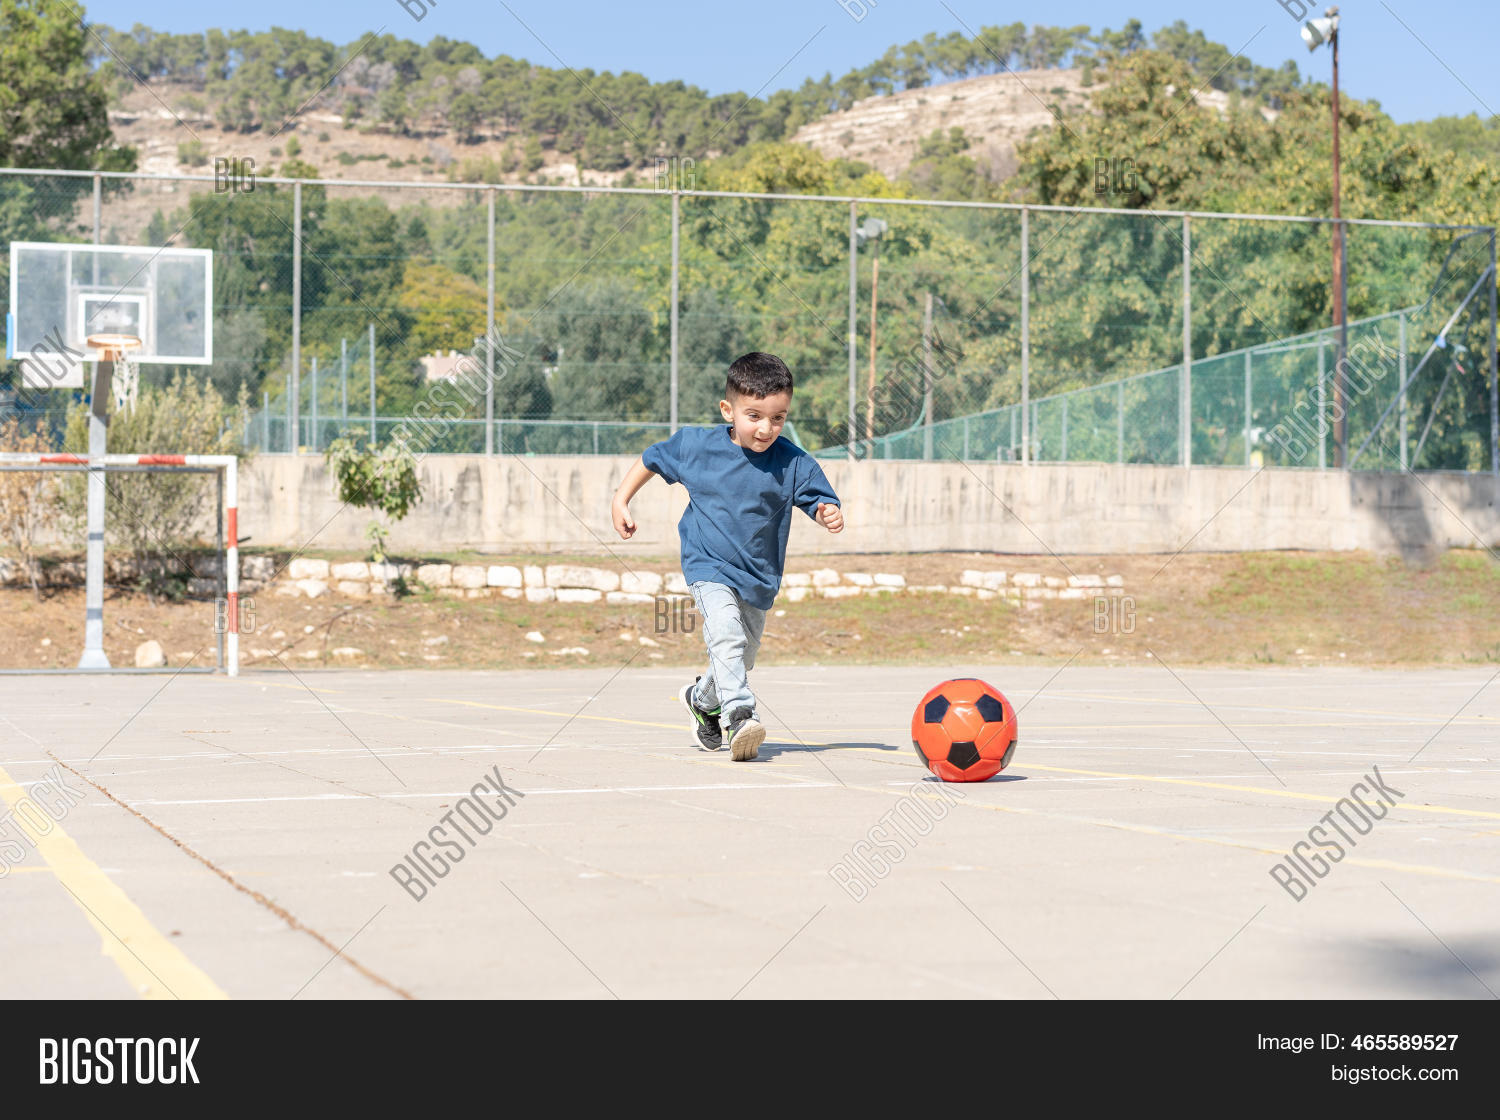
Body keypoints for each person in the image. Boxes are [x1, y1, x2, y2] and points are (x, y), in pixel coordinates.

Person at [611, 352, 844, 760]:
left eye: (778, 418)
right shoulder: (696, 446)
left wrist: (827, 514)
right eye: (754, 416)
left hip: (759, 577)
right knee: (726, 635)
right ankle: (740, 715)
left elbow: (818, 499)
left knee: (740, 655)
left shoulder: (791, 461)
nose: (766, 428)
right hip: (708, 566)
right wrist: (620, 499)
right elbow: (651, 458)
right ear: (728, 410)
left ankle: (702, 699)